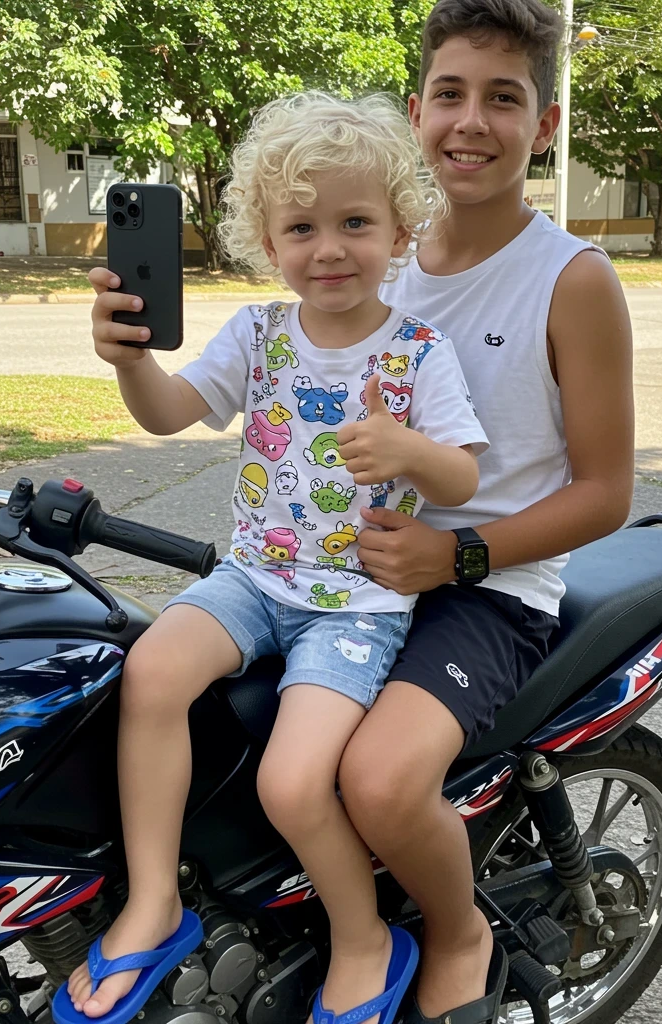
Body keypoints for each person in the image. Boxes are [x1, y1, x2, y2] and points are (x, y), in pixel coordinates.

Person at [58, 92, 489, 1024]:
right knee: (152, 672)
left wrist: (411, 453)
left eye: (354, 222)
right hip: (255, 578)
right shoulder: (258, 332)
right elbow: (172, 411)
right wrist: (130, 359)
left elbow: (460, 475)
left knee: (293, 782)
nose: (328, 247)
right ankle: (152, 900)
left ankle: (364, 933)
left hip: (355, 606)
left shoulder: (419, 353)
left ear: (401, 228)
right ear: (266, 238)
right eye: (301, 226)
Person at [333, 1, 636, 1022]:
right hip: (348, 567)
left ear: (543, 125)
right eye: (451, 95)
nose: (471, 121)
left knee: (378, 780)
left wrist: (452, 557)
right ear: (415, 111)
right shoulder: (381, 257)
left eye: (502, 99)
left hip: (490, 589)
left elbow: (605, 491)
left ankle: (457, 929)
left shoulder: (571, 281)